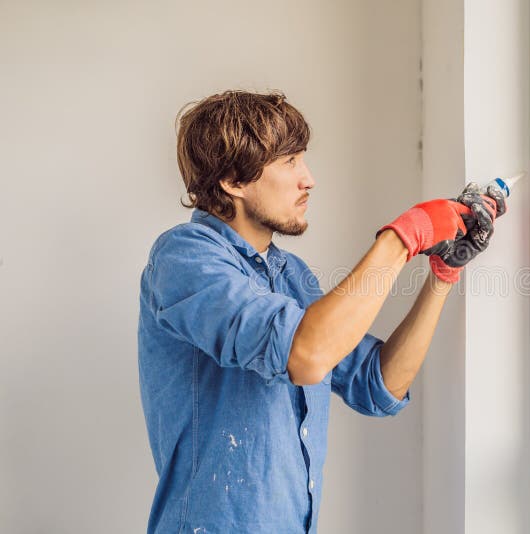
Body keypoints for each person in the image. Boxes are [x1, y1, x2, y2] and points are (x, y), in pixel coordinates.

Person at [137, 90, 506, 533]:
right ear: (233, 180)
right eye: (289, 162)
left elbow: (379, 384)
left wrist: (443, 273)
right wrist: (402, 236)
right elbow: (306, 355)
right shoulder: (184, 258)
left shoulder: (290, 277)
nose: (308, 179)